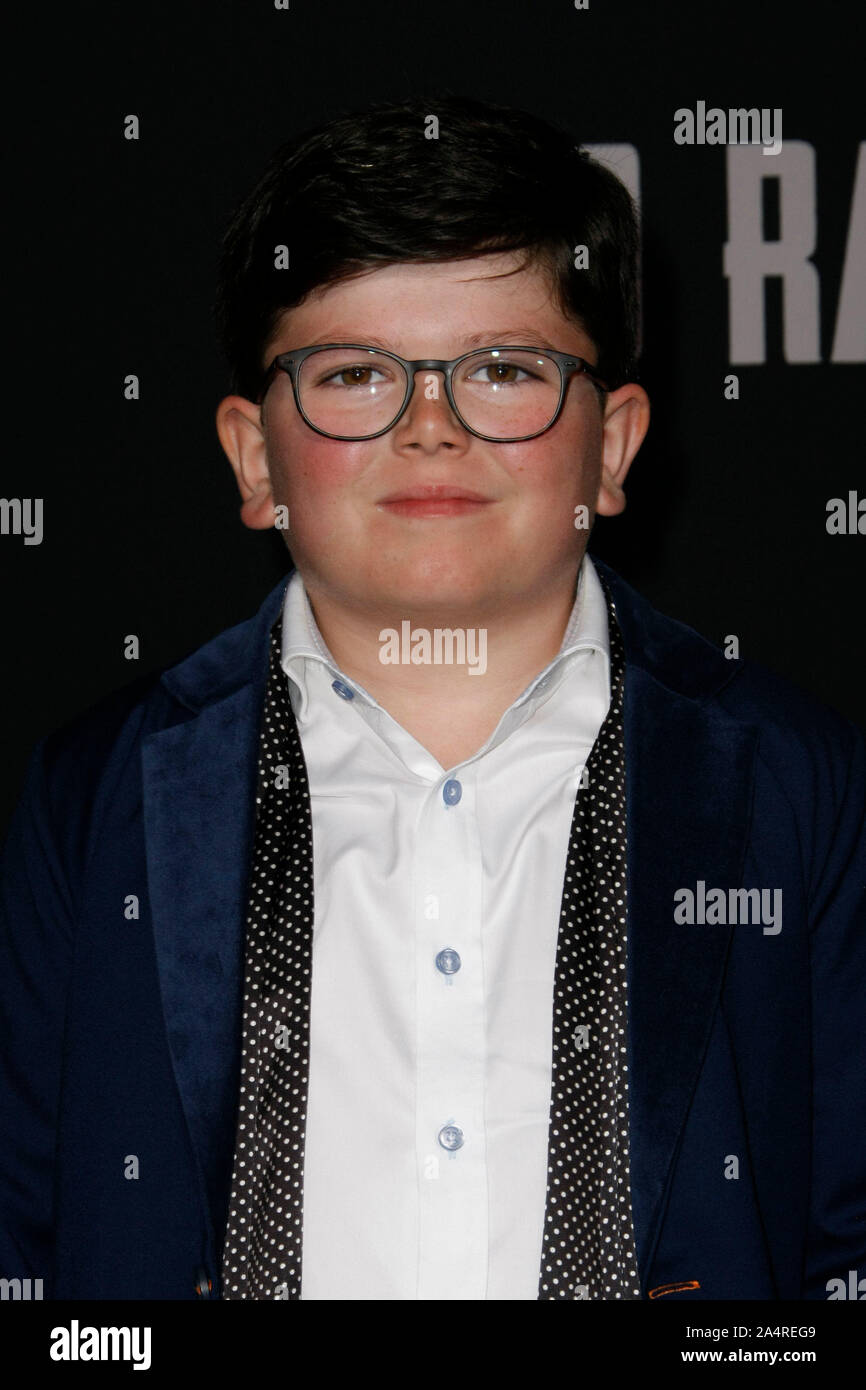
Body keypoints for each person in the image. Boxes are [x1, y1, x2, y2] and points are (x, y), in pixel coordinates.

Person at [1, 96, 863, 1303]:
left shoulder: (796, 781)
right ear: (255, 459)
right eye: (355, 376)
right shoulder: (93, 794)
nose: (430, 427)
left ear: (611, 446)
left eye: (502, 371)